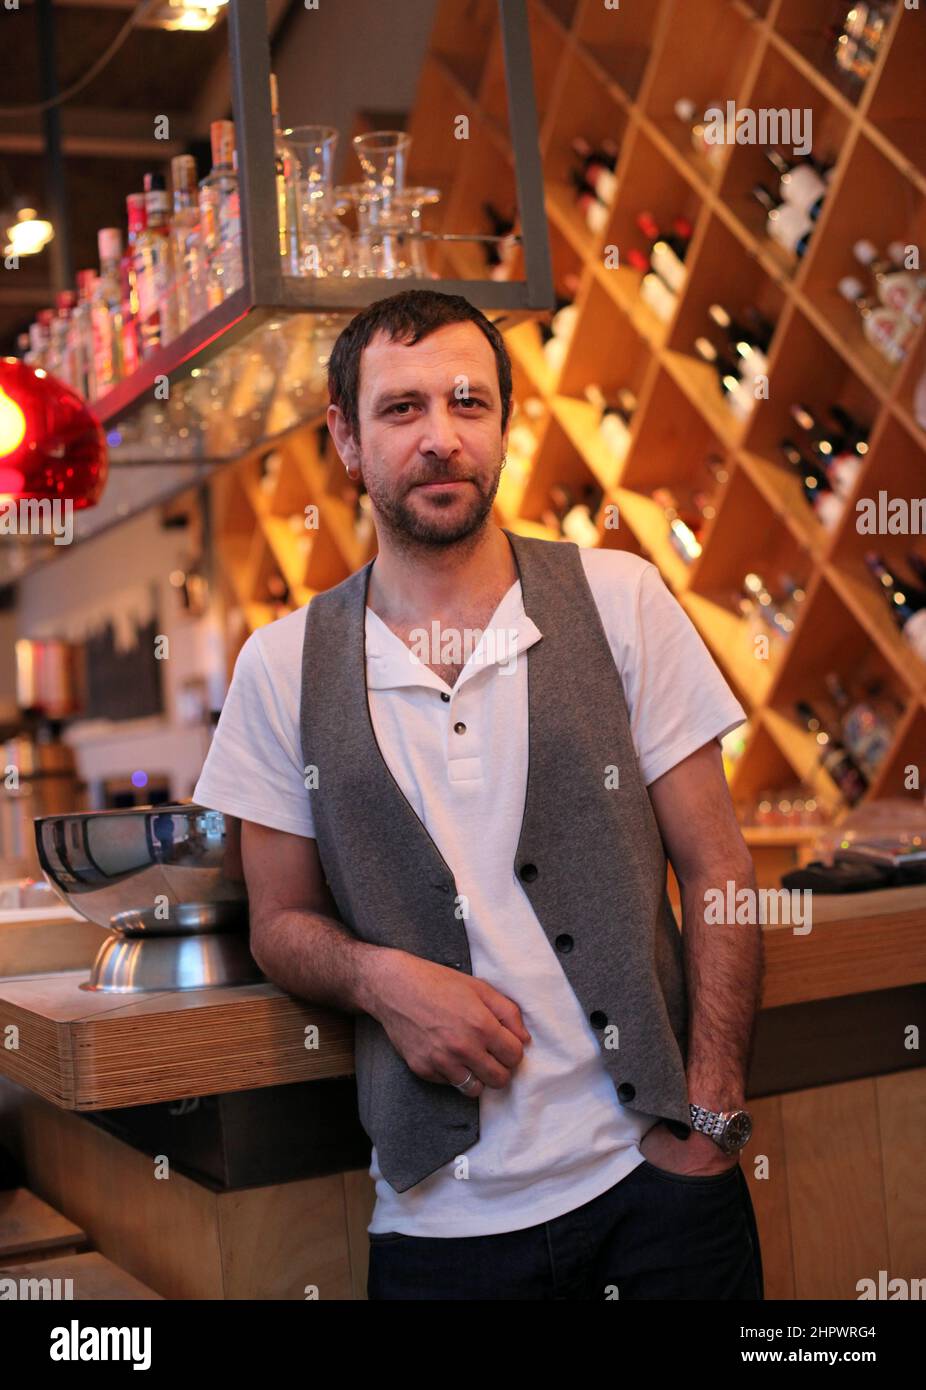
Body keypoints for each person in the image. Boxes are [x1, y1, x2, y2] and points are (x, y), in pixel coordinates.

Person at [193, 289, 765, 1301]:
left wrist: (712, 1117)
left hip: (655, 1192)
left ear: (504, 423)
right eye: (401, 409)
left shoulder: (620, 599)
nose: (440, 437)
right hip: (435, 1226)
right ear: (347, 440)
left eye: (468, 403)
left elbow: (716, 868)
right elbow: (279, 920)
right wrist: (381, 980)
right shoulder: (279, 668)